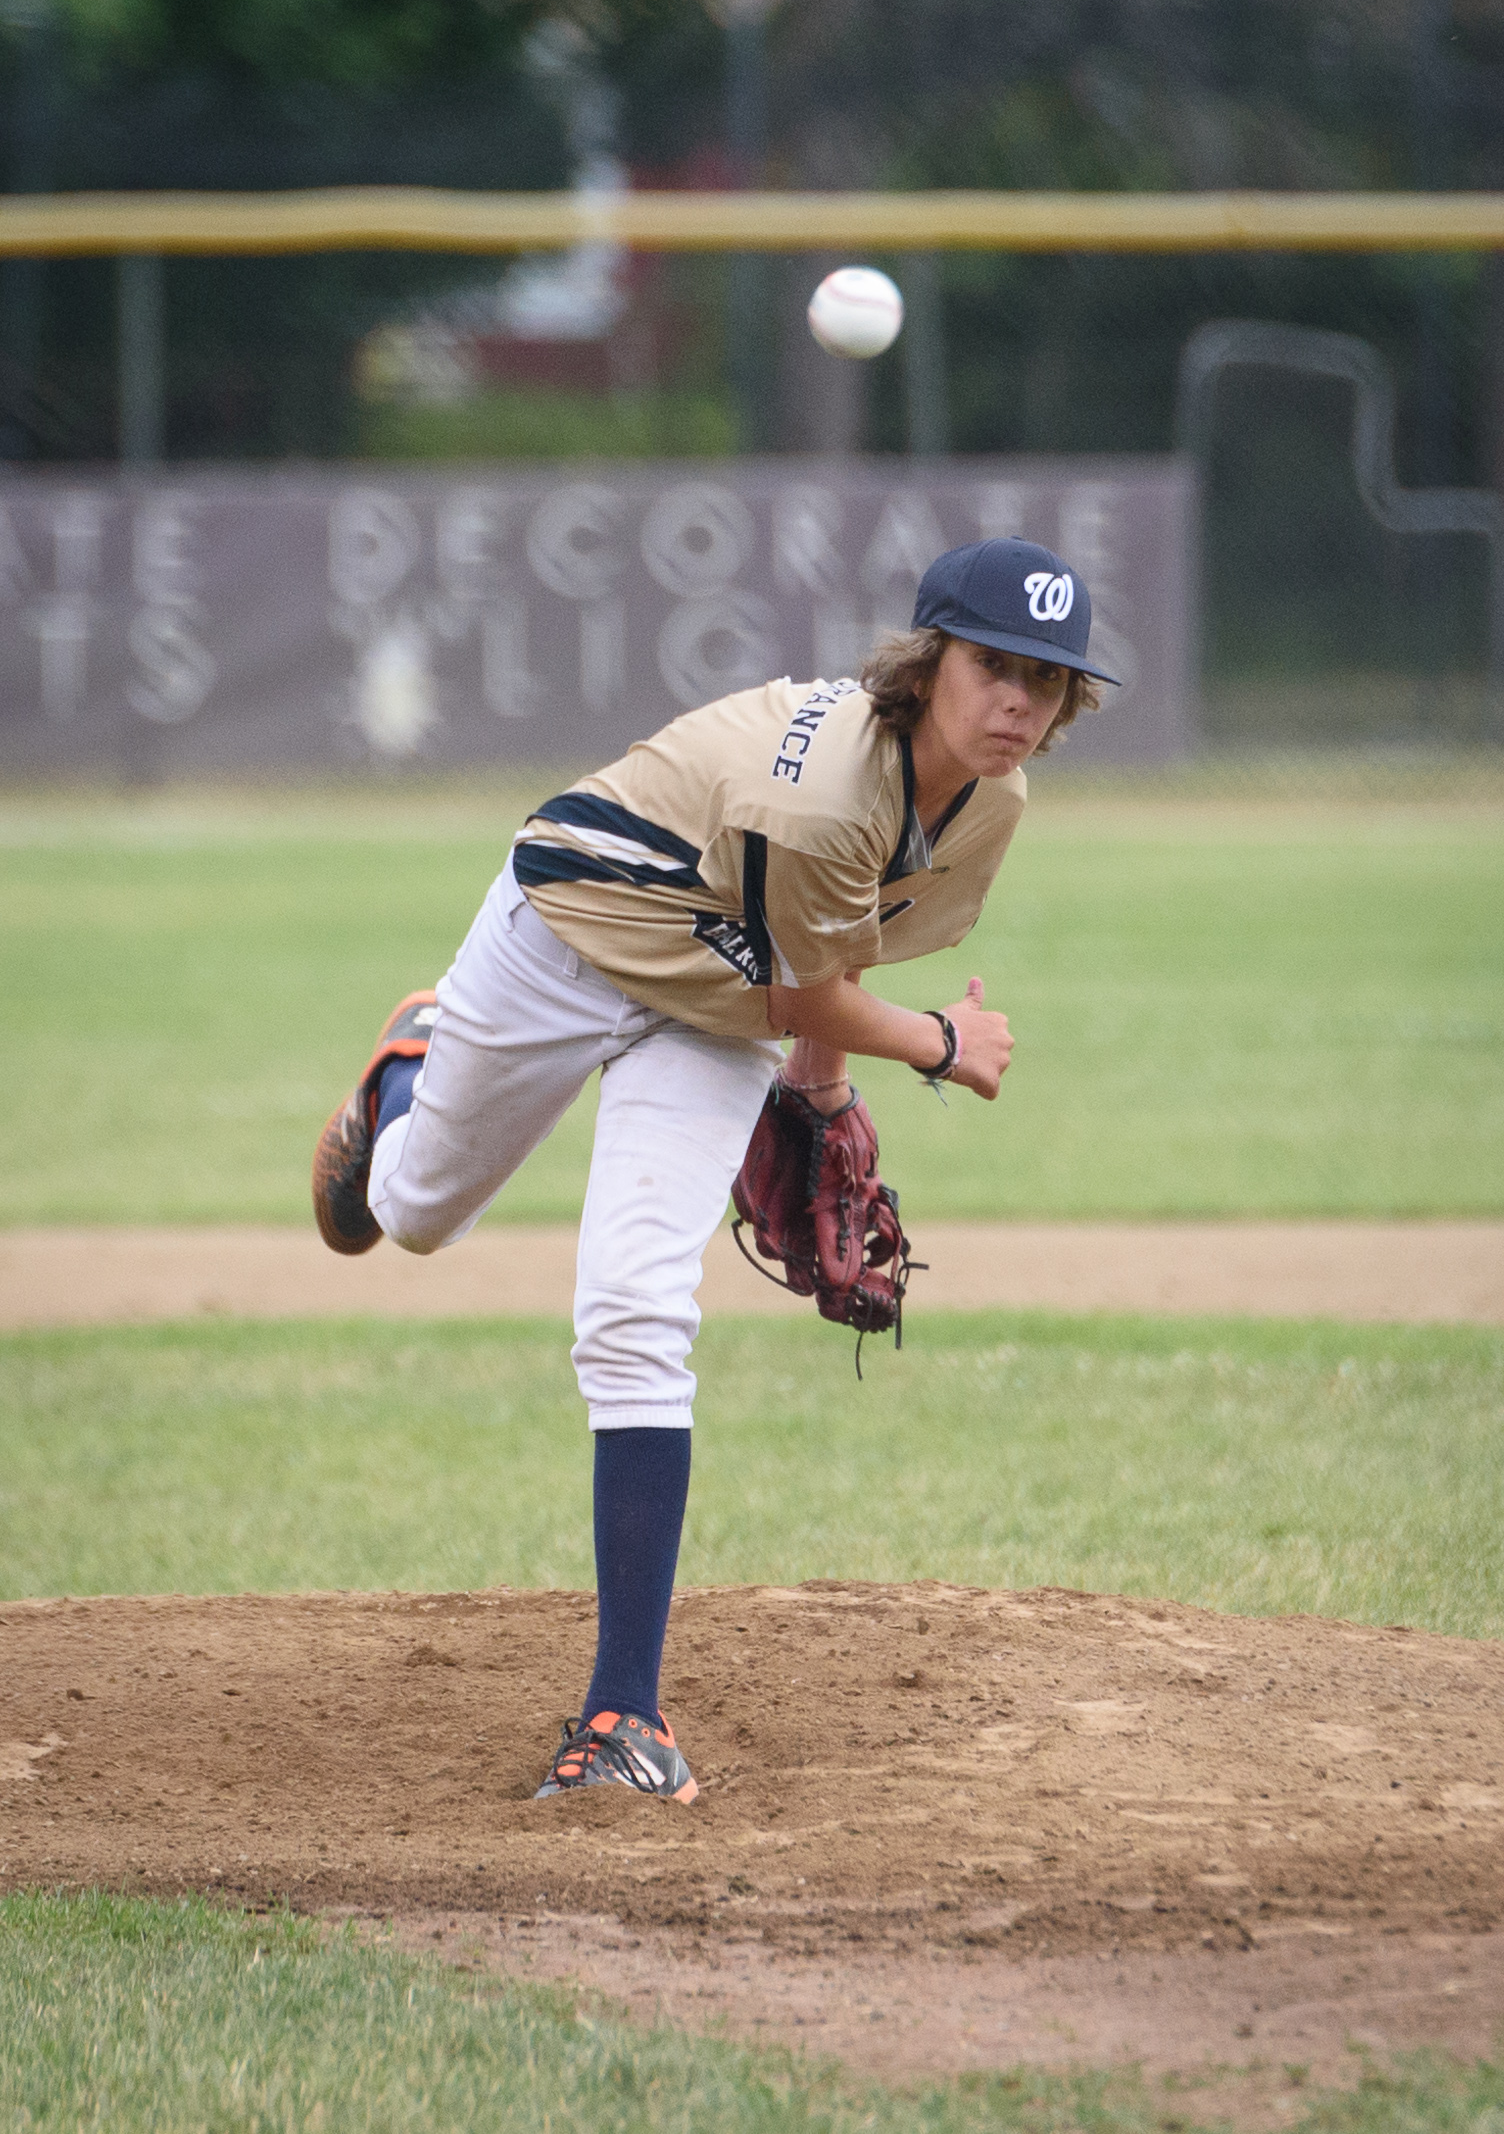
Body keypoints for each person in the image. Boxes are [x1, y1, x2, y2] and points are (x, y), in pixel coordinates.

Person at [312, 536, 1117, 1805]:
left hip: (714, 1010)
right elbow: (815, 982)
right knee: (409, 1213)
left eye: (1049, 679)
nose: (1018, 701)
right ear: (927, 664)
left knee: (635, 1309)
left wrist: (822, 1090)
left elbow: (819, 971)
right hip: (568, 939)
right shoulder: (824, 795)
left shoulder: (989, 806)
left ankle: (621, 1717)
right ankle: (408, 1066)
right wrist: (938, 1044)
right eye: (993, 665)